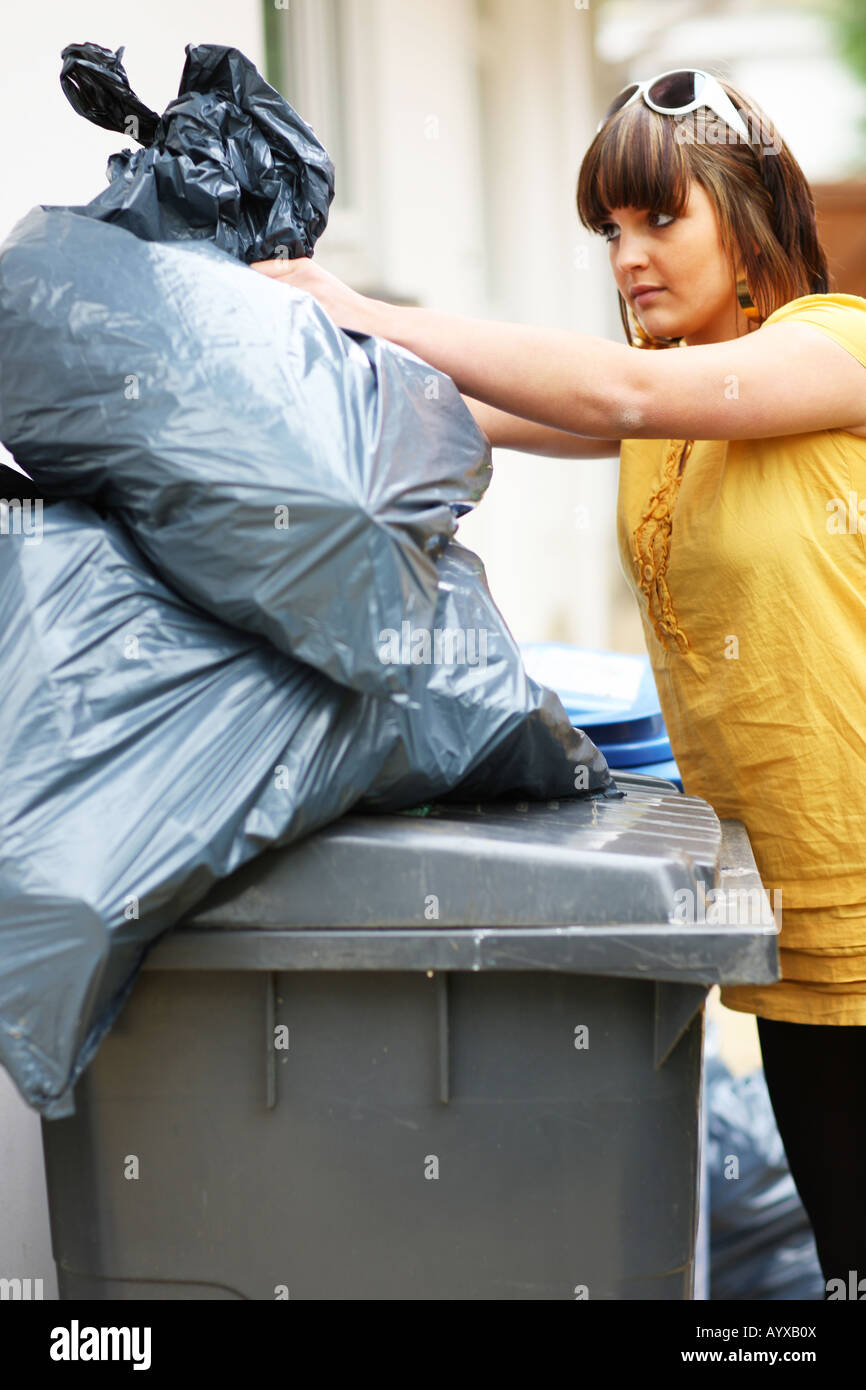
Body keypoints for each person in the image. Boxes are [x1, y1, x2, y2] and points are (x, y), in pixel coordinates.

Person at [252, 69, 866, 1294]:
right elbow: (478, 411)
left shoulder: (831, 348)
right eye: (608, 232)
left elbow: (613, 386)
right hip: (788, 917)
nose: (627, 258)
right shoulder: (669, 404)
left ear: (745, 216)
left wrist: (360, 304)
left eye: (658, 219)